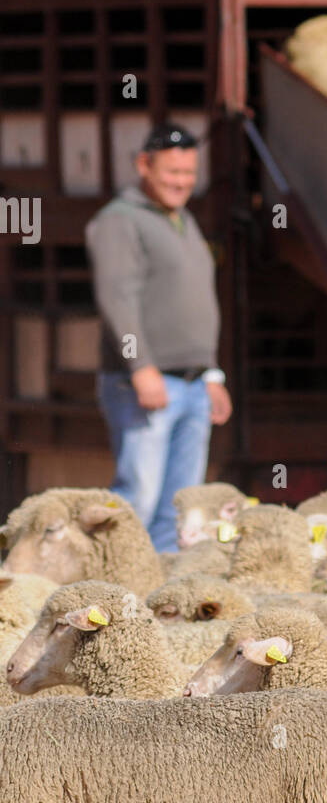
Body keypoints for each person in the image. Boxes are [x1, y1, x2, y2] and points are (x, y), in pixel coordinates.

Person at [85, 122, 232, 552]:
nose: (182, 183)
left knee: (181, 507)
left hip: (193, 384)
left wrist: (212, 375)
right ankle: (115, 594)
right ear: (144, 165)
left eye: (189, 174)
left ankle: (161, 603)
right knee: (139, 498)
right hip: (146, 382)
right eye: (172, 173)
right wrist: (140, 366)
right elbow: (117, 299)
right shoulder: (119, 221)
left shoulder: (183, 219)